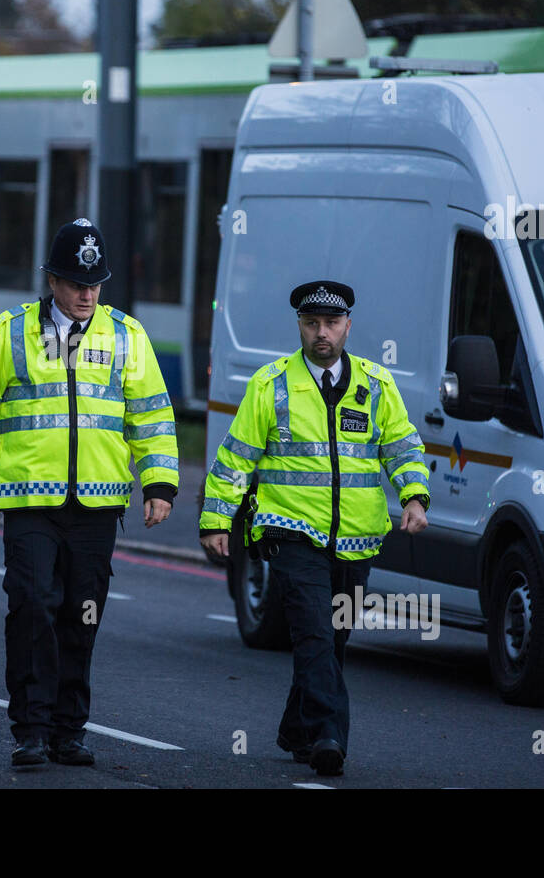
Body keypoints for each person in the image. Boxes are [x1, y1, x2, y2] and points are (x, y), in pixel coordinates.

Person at [0, 218, 179, 768]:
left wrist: (160, 482)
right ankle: (31, 729)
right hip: (28, 501)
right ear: (51, 280)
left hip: (97, 504)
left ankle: (70, 730)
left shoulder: (126, 336)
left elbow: (153, 417)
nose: (87, 295)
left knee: (82, 614)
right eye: (75, 283)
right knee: (31, 606)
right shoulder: (8, 332)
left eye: (95, 284)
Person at [199, 280, 430, 776]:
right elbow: (235, 459)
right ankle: (328, 735)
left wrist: (413, 495)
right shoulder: (271, 384)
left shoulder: (376, 384)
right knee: (314, 633)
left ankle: (295, 729)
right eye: (311, 323)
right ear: (299, 326)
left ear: (348, 325)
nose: (321, 333)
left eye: (331, 323)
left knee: (335, 636)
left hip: (356, 538)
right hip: (291, 531)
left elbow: (402, 447)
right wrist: (217, 521)